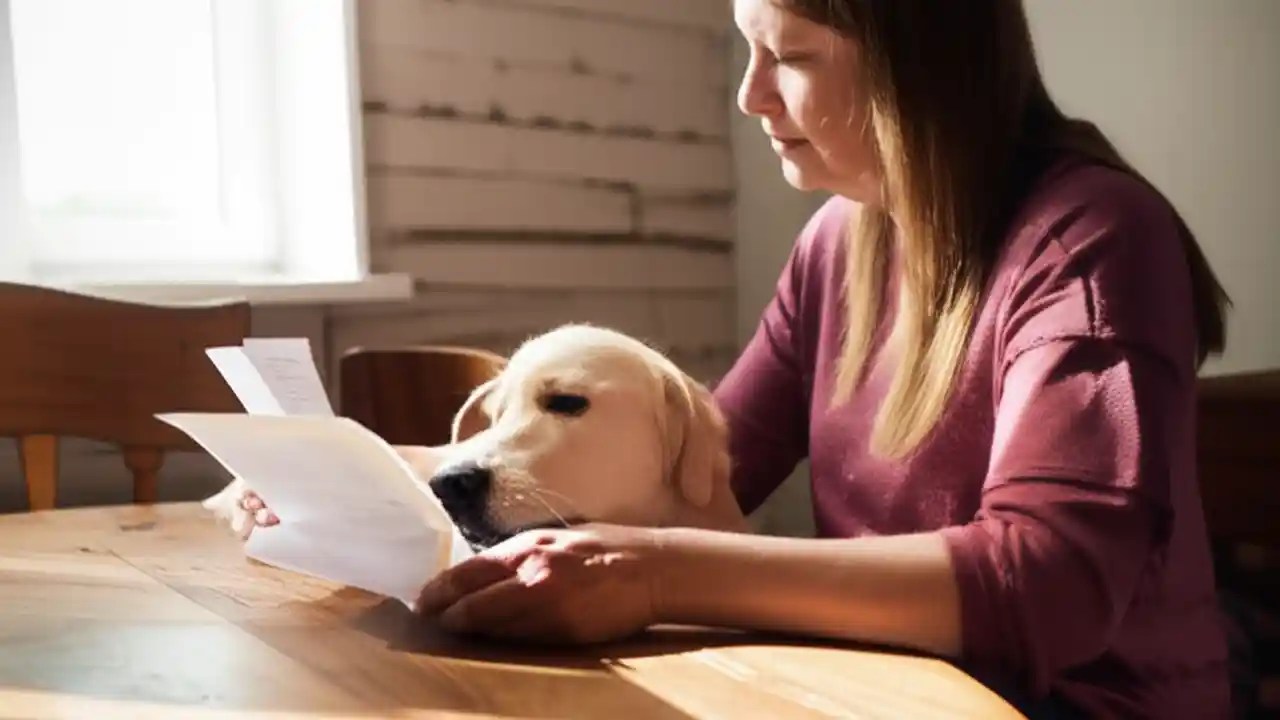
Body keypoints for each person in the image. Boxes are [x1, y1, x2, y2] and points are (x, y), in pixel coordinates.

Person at [294, 1, 1237, 717]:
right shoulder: (839, 241)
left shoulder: (1091, 241)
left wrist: (658, 574)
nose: (748, 93)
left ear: (922, 65)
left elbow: (1048, 584)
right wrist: (396, 476)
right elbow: (688, 460)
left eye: (788, 56)